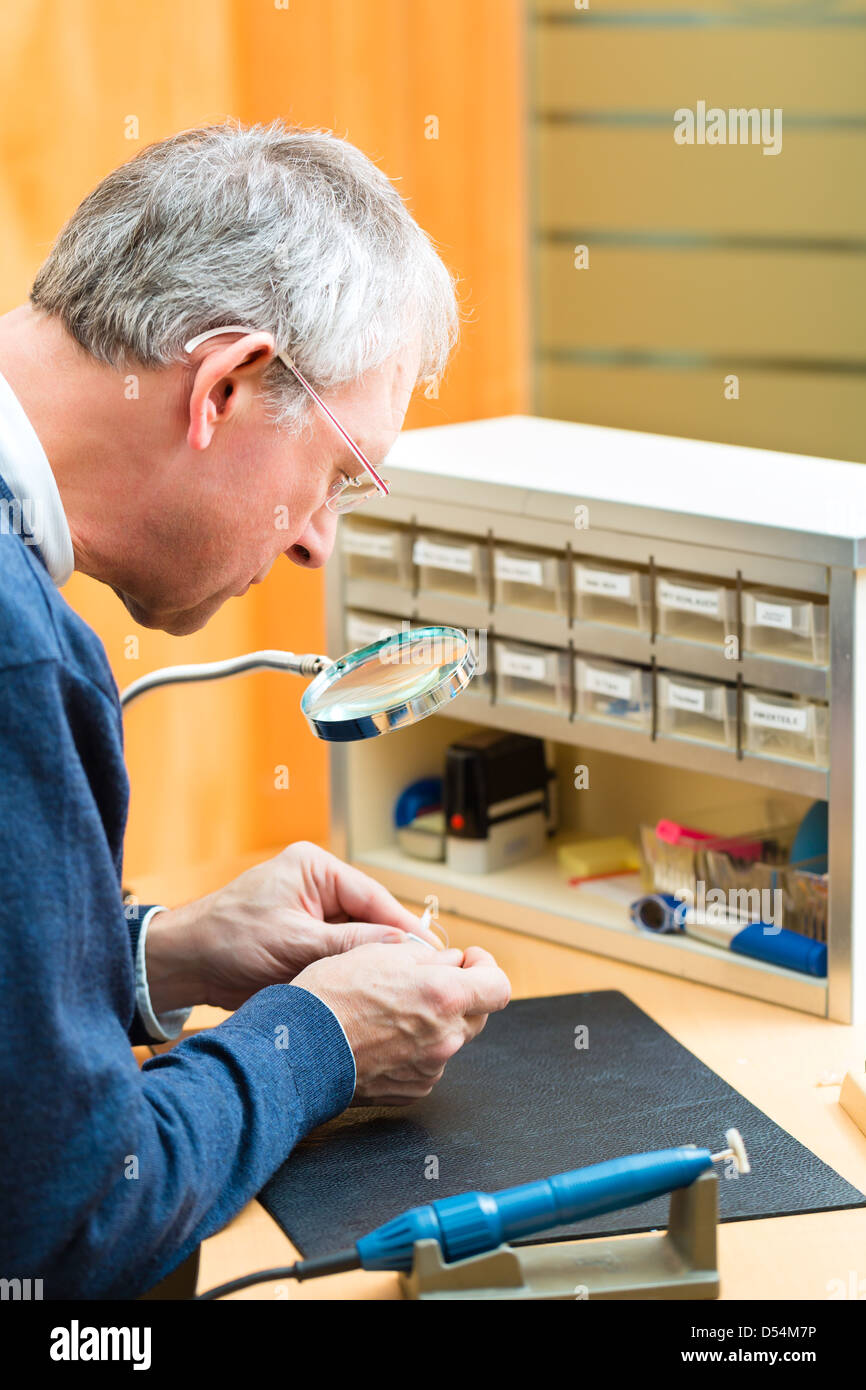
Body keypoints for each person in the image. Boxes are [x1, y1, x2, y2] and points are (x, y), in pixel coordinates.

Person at [0, 121, 511, 1299]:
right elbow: (71, 1222)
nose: (316, 544)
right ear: (224, 386)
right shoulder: (24, 661)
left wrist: (145, 954)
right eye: (337, 474)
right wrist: (316, 1039)